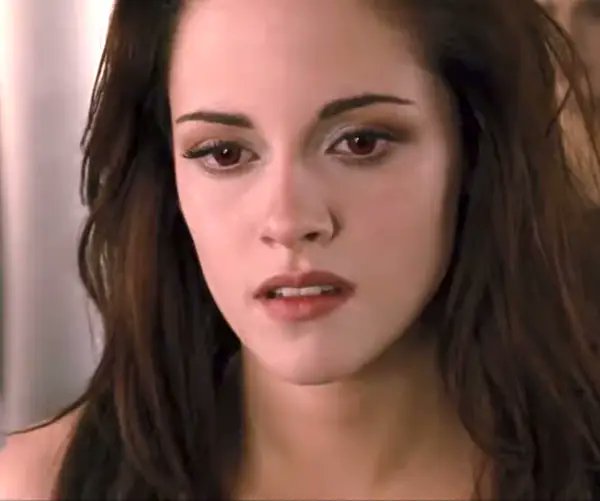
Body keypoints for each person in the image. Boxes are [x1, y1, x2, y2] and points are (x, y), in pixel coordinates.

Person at [1, 0, 600, 499]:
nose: (288, 222)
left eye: (360, 143)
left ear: (473, 151)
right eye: (224, 154)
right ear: (168, 181)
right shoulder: (41, 486)